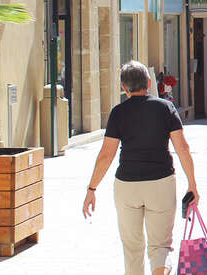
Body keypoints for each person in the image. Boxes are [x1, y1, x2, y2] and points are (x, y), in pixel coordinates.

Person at [82, 62, 199, 275]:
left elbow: (106, 155)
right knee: (160, 246)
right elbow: (182, 148)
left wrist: (92, 188)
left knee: (132, 248)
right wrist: (192, 185)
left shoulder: (118, 113)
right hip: (161, 183)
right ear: (149, 82)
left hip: (127, 186)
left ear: (124, 87)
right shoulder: (165, 108)